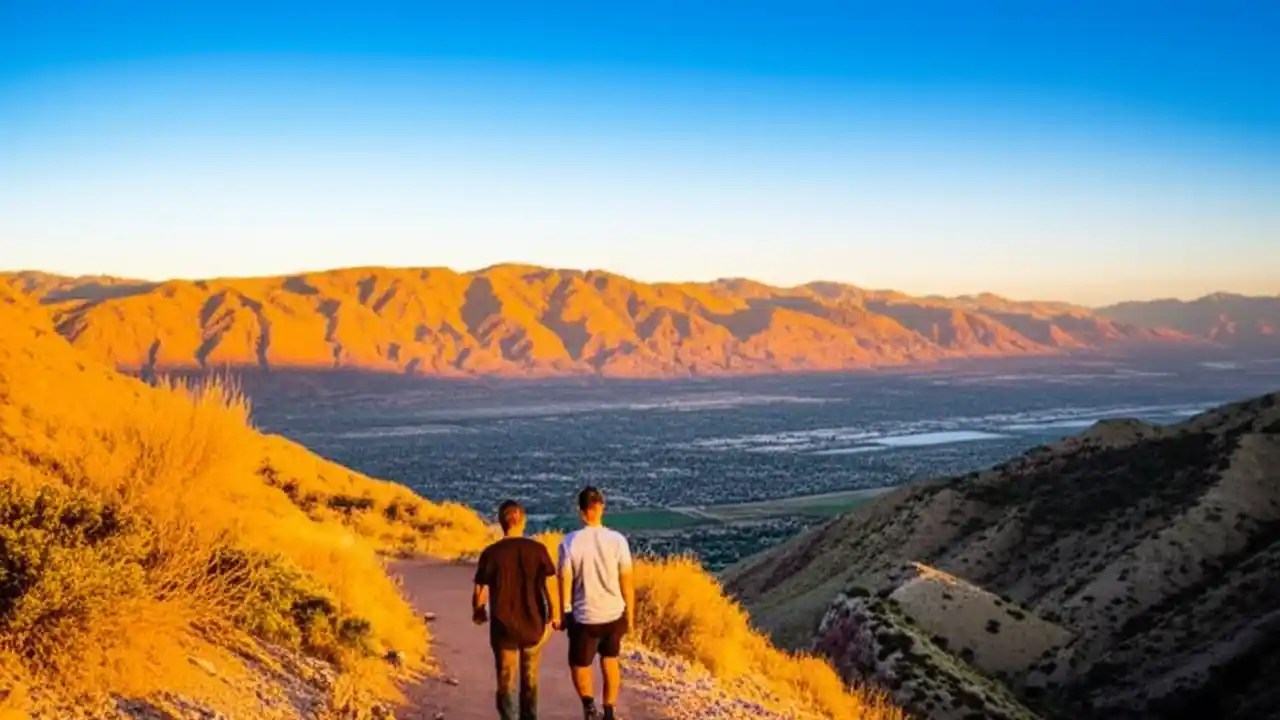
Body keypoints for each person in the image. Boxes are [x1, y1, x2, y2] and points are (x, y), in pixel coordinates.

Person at [473, 500, 563, 720]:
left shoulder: (491, 553)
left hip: (503, 627)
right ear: (522, 521)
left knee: (506, 680)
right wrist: (556, 615)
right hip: (534, 624)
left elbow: (480, 589)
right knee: (530, 678)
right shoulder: (538, 550)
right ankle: (529, 716)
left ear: (501, 522)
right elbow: (550, 584)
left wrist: (478, 610)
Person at [558, 487, 635, 720]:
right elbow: (627, 582)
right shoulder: (618, 540)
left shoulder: (570, 542)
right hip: (614, 613)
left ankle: (590, 707)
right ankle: (609, 710)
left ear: (581, 511)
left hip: (585, 616)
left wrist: (564, 613)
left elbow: (564, 580)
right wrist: (630, 616)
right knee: (610, 660)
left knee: (579, 664)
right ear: (601, 507)